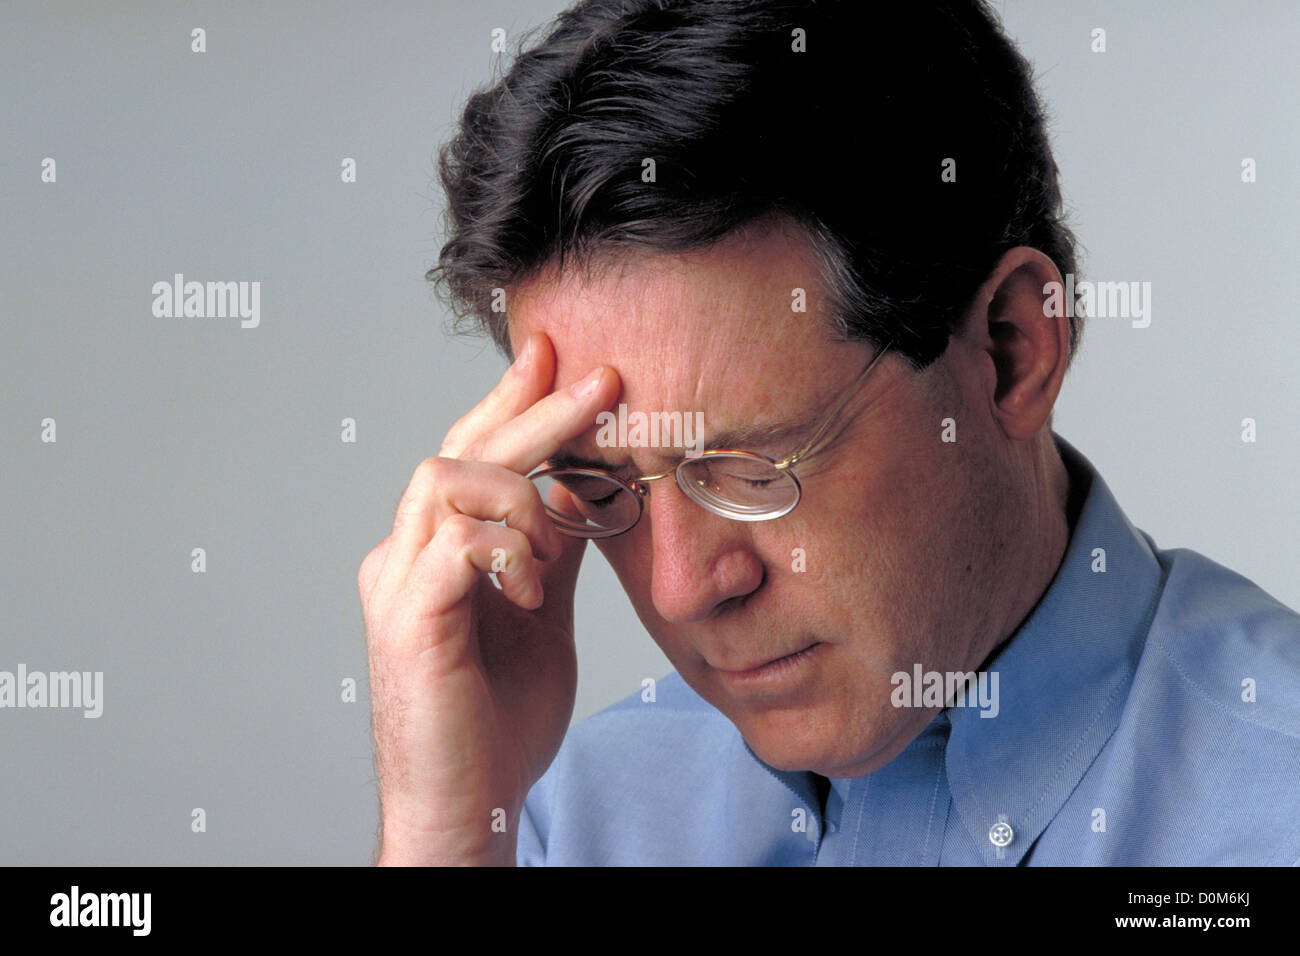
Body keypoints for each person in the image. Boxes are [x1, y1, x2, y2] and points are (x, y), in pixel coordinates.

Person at [358, 0, 1300, 865]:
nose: (683, 591)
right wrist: (444, 835)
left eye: (752, 466)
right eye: (602, 485)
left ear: (1012, 350)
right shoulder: (563, 823)